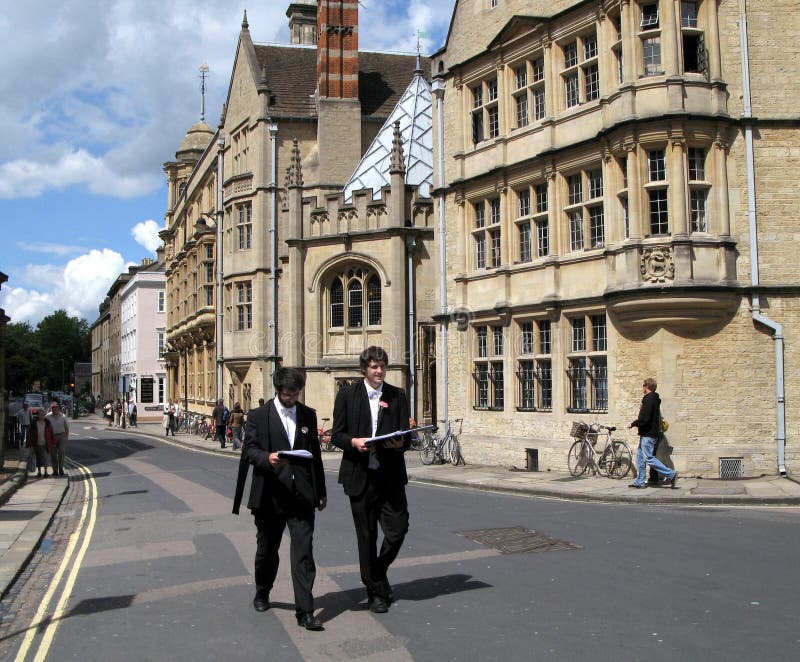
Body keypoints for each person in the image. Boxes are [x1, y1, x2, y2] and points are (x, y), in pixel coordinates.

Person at [232, 367, 327, 631]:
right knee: (267, 551)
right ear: (278, 390)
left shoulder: (307, 414)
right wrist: (268, 458)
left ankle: (305, 611)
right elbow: (249, 450)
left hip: (302, 496)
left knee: (303, 553)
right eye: (288, 393)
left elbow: (315, 457)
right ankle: (263, 590)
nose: (292, 397)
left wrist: (321, 492)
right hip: (270, 495)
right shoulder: (259, 416)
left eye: (296, 393)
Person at [331, 346, 411, 614]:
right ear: (364, 369)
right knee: (366, 536)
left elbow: (406, 437)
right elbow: (337, 435)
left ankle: (375, 571)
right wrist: (353, 442)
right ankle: (376, 593)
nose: (379, 371)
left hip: (390, 476)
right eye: (374, 367)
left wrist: (400, 442)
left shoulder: (397, 395)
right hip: (359, 476)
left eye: (383, 366)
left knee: (398, 528)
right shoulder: (347, 395)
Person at [628, 377, 677, 489]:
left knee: (649, 458)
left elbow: (645, 418)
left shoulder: (649, 399)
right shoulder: (653, 399)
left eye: (643, 385)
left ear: (647, 386)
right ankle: (640, 481)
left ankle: (671, 474)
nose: (642, 387)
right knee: (640, 458)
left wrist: (634, 424)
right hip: (647, 434)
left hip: (648, 435)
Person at [27, 409, 56, 478]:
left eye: (43, 415)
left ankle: (45, 472)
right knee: (38, 459)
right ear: (38, 415)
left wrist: (53, 442)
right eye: (41, 415)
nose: (42, 416)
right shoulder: (34, 423)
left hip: (46, 444)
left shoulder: (47, 423)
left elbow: (52, 433)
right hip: (37, 444)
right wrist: (29, 444)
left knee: (45, 459)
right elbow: (30, 434)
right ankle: (39, 472)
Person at [46, 401, 69, 477]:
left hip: (61, 436)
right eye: (52, 408)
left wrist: (66, 438)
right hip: (52, 437)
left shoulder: (63, 416)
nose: (54, 409)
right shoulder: (47, 417)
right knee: (53, 454)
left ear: (58, 408)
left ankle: (61, 468)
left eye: (55, 408)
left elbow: (66, 428)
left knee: (61, 452)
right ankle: (55, 470)